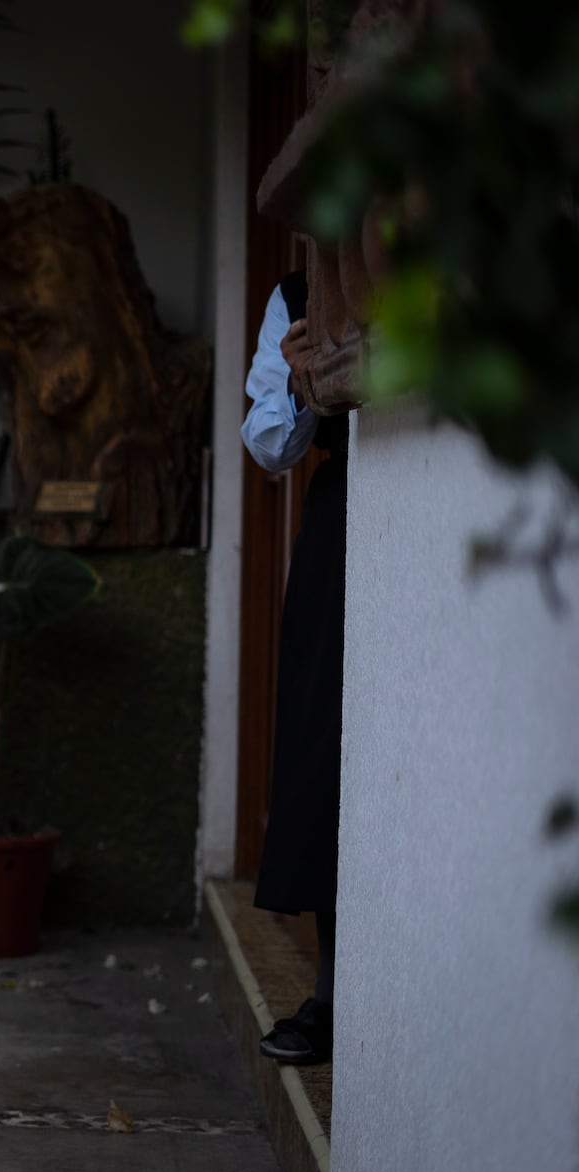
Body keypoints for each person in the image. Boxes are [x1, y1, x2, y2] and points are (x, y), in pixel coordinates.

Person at [242, 269, 350, 1067]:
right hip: (342, 519)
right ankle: (330, 997)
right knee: (324, 751)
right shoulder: (301, 288)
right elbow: (270, 445)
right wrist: (301, 379)